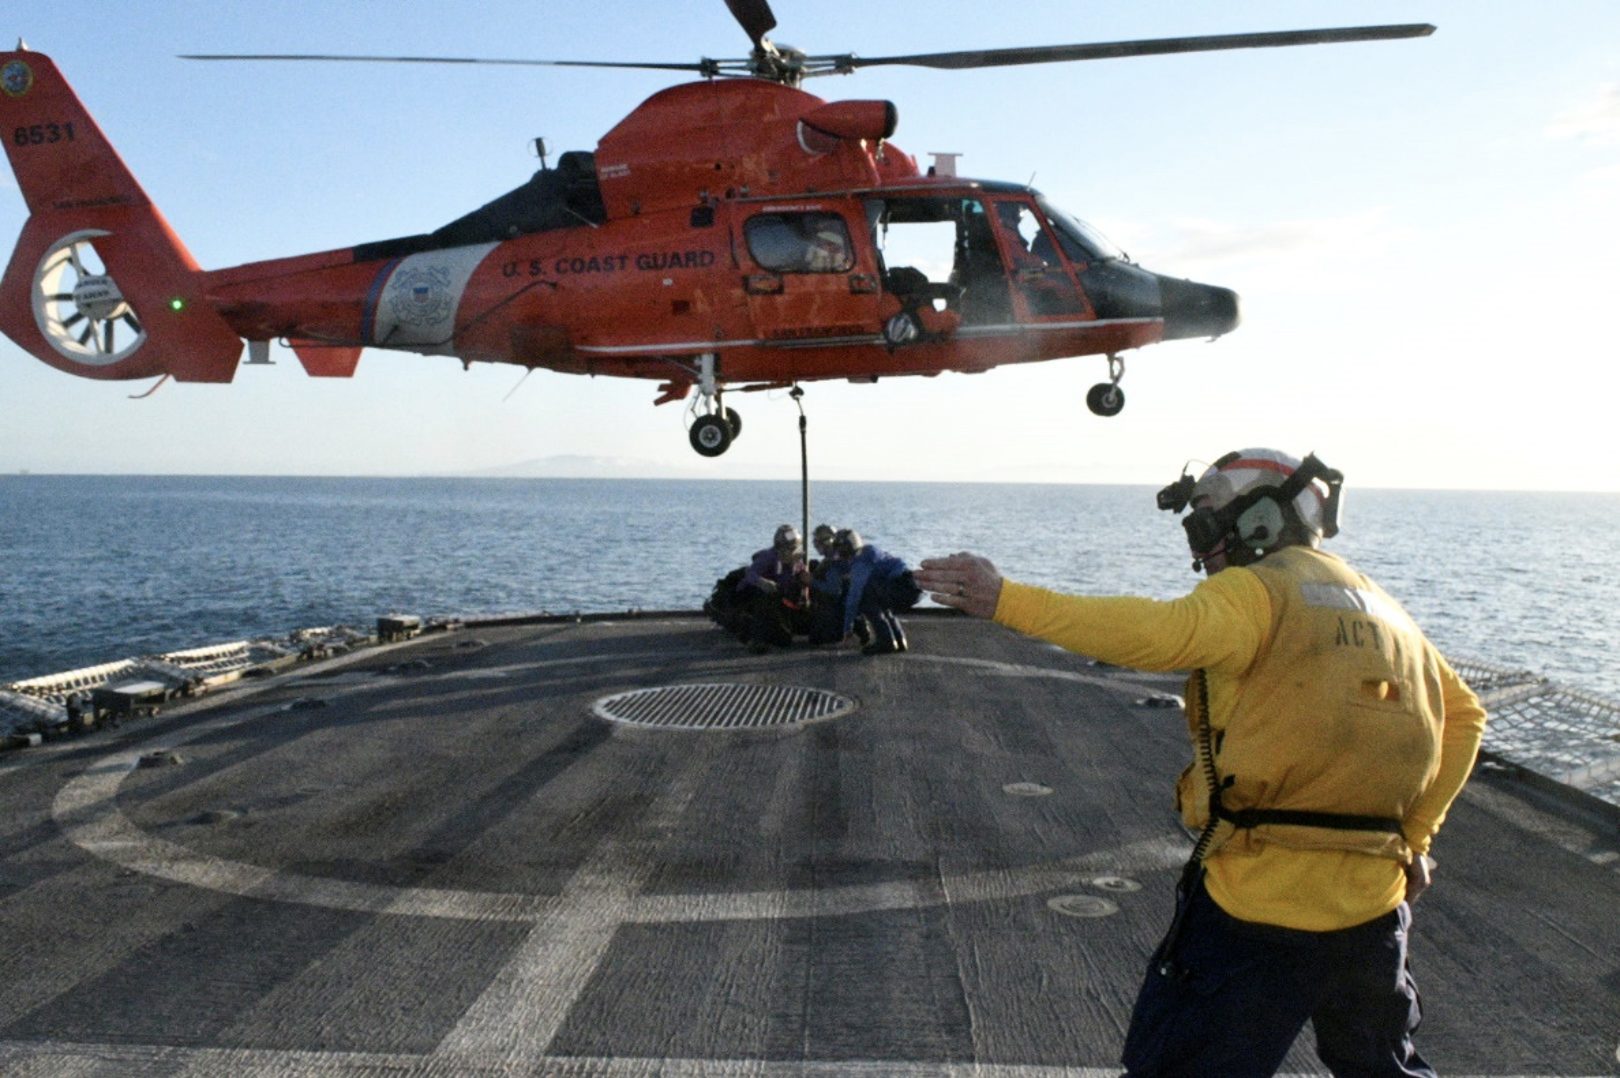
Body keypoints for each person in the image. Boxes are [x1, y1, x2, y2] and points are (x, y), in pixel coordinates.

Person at [914, 449, 1487, 1078]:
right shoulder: (1389, 612)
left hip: (1258, 901)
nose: (1203, 549)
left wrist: (1005, 599)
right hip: (1372, 906)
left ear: (1262, 519)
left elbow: (1159, 632)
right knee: (1382, 1066)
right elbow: (1464, 718)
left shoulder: (1257, 591)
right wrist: (1415, 838)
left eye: (1207, 526)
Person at [836, 528, 921, 656]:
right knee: (881, 602)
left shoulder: (860, 564)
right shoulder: (870, 551)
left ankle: (886, 642)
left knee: (865, 599)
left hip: (899, 589)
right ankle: (899, 639)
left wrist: (847, 627)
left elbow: (853, 598)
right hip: (909, 585)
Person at [733, 524, 808, 653]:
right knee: (766, 596)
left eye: (795, 548)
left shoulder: (796, 563)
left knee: (784, 641)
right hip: (753, 597)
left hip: (778, 600)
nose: (793, 552)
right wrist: (763, 582)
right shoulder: (768, 556)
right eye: (790, 549)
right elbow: (751, 574)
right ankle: (756, 638)